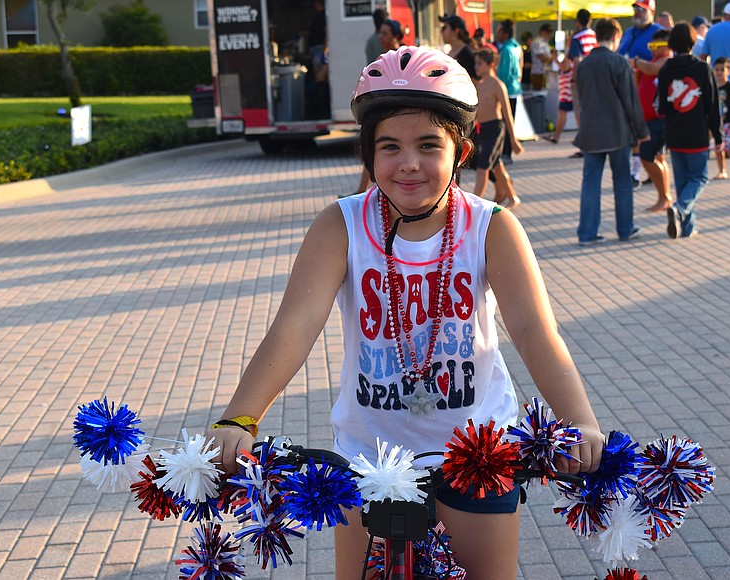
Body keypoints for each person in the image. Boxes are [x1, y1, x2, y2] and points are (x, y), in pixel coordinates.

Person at [205, 45, 605, 580]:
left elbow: (534, 330)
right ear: (367, 154)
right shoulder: (340, 225)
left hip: (476, 453)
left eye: (428, 145)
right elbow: (295, 326)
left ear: (462, 151)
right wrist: (241, 416)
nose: (408, 163)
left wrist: (580, 420)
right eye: (389, 146)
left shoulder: (492, 228)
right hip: (368, 459)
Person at [574, 18, 648, 246]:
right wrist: (641, 130)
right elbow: (630, 100)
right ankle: (625, 229)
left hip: (590, 132)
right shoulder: (619, 62)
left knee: (590, 183)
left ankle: (587, 233)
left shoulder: (584, 64)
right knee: (622, 181)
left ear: (597, 36)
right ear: (616, 36)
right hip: (617, 131)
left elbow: (580, 98)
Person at [656, 22, 722, 239]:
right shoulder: (703, 69)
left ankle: (687, 227)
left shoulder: (666, 69)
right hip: (697, 133)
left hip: (674, 133)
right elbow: (712, 105)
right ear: (694, 42)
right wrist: (718, 135)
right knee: (700, 178)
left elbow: (663, 106)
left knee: (684, 182)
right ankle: (680, 209)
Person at [353, 18, 406, 195]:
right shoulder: (381, 59)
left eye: (385, 33)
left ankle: (365, 193)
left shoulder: (407, 56)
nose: (380, 37)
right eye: (380, 33)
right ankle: (364, 193)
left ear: (396, 36)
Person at [618, 0, 664, 187]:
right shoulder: (629, 33)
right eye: (635, 9)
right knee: (635, 133)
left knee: (652, 136)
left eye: (641, 9)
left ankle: (657, 174)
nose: (637, 12)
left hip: (650, 92)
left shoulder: (659, 33)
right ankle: (635, 173)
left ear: (651, 11)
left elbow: (663, 62)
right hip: (627, 88)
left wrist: (636, 63)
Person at [472, 49, 524, 207]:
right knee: (497, 167)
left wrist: (513, 140)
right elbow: (476, 113)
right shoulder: (479, 85)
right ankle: (513, 197)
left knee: (483, 167)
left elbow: (507, 113)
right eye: (476, 63)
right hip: (482, 129)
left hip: (496, 128)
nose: (476, 67)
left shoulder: (498, 85)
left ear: (491, 65)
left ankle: (473, 205)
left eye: (480, 64)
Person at [633, 30, 672, 212]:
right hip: (651, 119)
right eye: (651, 47)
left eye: (655, 47)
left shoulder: (666, 61)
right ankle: (664, 197)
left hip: (659, 119)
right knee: (658, 158)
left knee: (647, 157)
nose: (652, 51)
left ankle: (664, 197)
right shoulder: (652, 62)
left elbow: (651, 69)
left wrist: (636, 62)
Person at [560, 9, 597, 154]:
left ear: (577, 21)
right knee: (590, 110)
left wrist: (574, 79)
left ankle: (584, 144)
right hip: (594, 77)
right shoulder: (594, 36)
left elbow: (575, 61)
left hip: (581, 78)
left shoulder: (576, 38)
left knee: (579, 112)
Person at [496, 19, 523, 165]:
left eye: (499, 31)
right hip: (515, 88)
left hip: (506, 89)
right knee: (510, 121)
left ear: (505, 33)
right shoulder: (516, 46)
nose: (497, 34)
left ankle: (506, 154)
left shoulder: (506, 49)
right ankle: (507, 153)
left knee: (505, 123)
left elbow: (503, 74)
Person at [441, 14, 477, 80]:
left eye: (444, 28)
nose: (441, 32)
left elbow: (474, 81)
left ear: (456, 31)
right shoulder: (451, 52)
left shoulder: (466, 54)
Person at [530, 24, 555, 90]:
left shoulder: (545, 42)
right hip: (538, 73)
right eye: (548, 33)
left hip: (544, 73)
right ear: (542, 32)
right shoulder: (538, 42)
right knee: (539, 95)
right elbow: (543, 59)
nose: (549, 35)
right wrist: (554, 57)